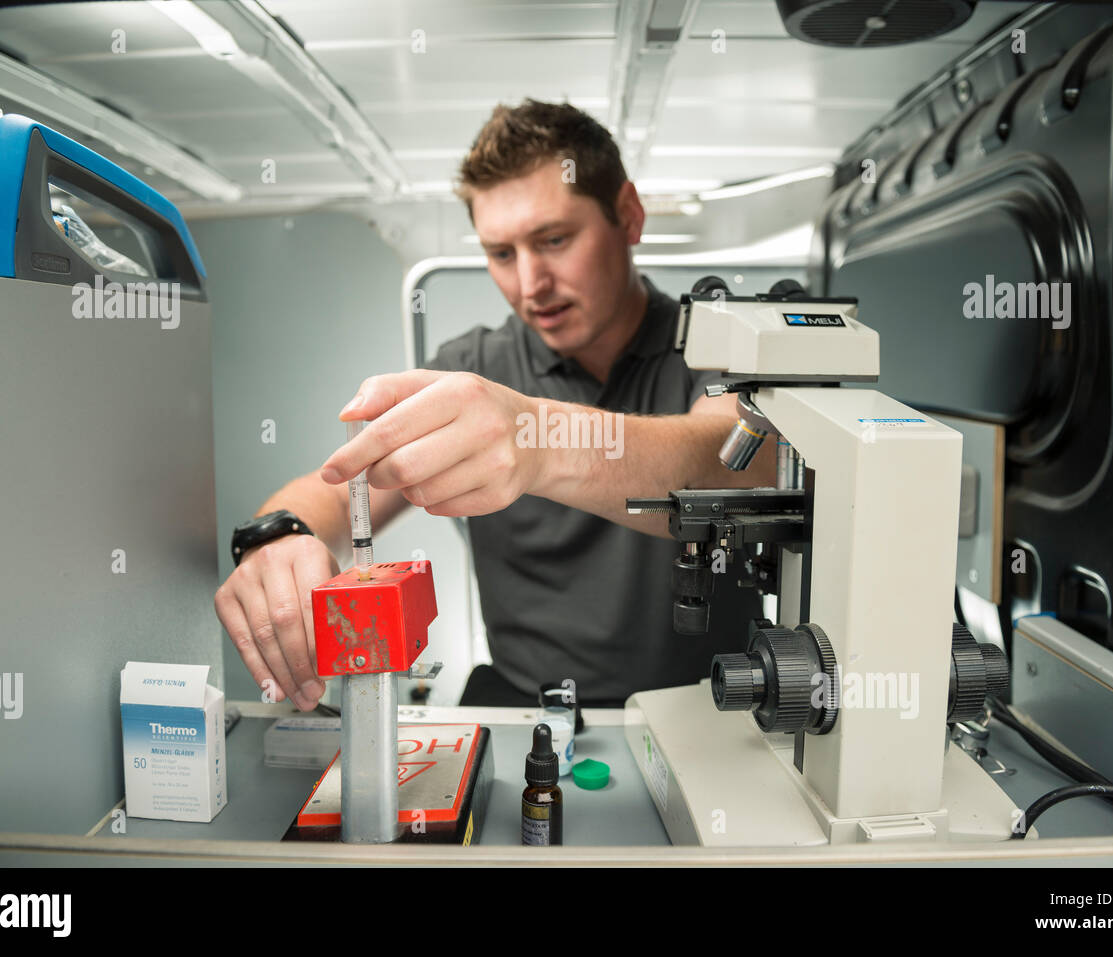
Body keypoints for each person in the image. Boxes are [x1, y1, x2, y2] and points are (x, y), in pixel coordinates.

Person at [214, 99, 776, 710]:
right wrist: (279, 540)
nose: (531, 283)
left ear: (629, 215)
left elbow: (729, 465)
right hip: (524, 710)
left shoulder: (726, 349)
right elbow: (336, 487)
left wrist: (535, 440)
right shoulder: (472, 372)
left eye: (554, 239)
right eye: (501, 254)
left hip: (711, 712)